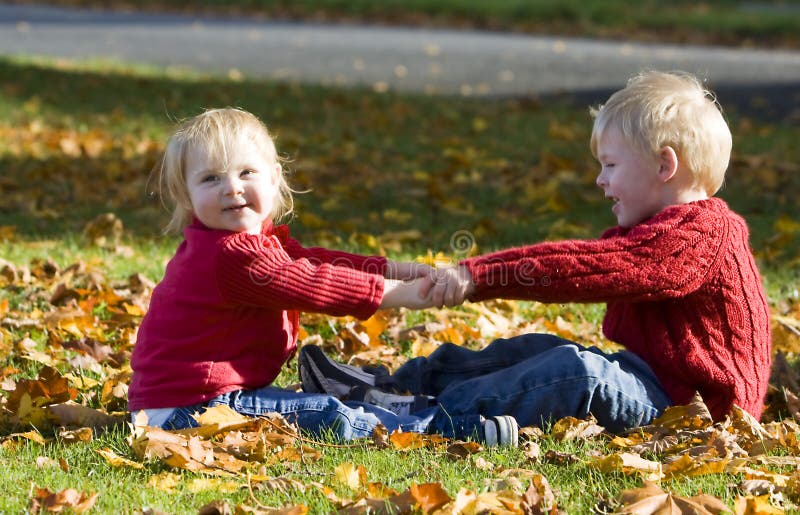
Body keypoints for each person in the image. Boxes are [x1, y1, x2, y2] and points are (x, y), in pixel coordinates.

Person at [299, 70, 772, 433]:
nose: (600, 180)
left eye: (610, 165)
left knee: (578, 373)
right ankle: (397, 384)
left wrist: (479, 276)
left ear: (665, 165)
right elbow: (579, 260)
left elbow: (582, 269)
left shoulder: (704, 234)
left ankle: (423, 416)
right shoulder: (661, 231)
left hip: (698, 411)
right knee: (538, 350)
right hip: (659, 382)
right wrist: (474, 273)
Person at [128, 108, 518, 445]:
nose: (232, 188)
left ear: (274, 178)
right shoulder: (228, 256)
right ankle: (445, 430)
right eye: (210, 179)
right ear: (186, 196)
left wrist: (400, 270)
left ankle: (395, 401)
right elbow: (314, 284)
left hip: (211, 397)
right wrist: (402, 293)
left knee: (313, 410)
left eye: (246, 171)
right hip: (187, 411)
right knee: (329, 415)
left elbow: (319, 262)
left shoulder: (248, 242)